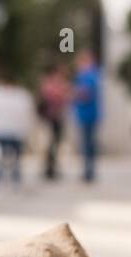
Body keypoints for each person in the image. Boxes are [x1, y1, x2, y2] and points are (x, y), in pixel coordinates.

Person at [0, 74, 36, 188]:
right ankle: (3, 178)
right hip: (5, 130)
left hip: (13, 131)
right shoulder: (17, 96)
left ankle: (12, 178)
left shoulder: (17, 96)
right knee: (6, 156)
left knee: (14, 157)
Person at [72, 50, 102, 183]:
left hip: (87, 115)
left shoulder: (87, 75)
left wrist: (73, 94)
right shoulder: (92, 75)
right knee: (89, 145)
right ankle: (88, 171)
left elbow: (85, 93)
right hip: (89, 114)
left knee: (87, 145)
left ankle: (88, 172)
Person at [36, 64, 69, 180]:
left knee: (56, 144)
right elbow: (57, 97)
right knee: (49, 144)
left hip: (58, 118)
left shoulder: (58, 84)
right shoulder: (49, 84)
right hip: (49, 119)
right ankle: (49, 169)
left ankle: (52, 168)